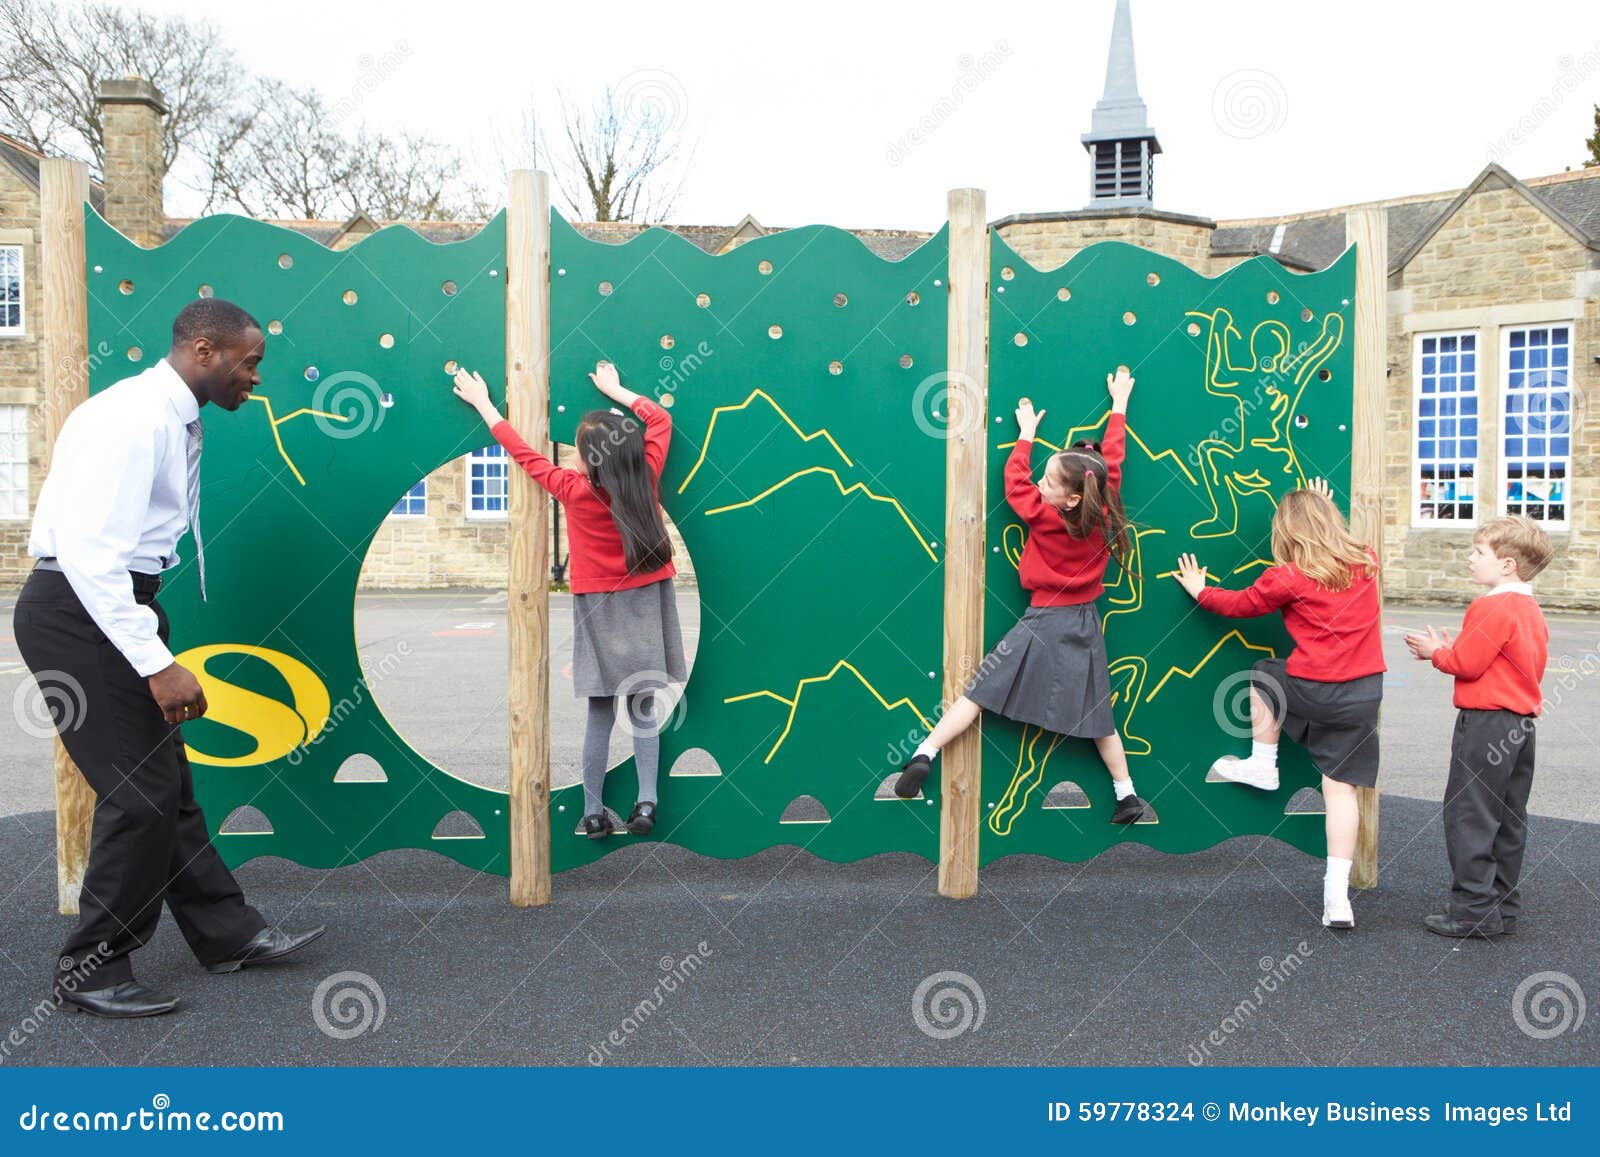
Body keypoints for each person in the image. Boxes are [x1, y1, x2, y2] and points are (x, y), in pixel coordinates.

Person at [14, 298, 325, 1019]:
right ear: (206, 351)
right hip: (80, 610)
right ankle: (91, 969)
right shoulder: (137, 417)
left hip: (115, 605)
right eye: (250, 363)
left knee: (170, 788)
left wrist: (149, 633)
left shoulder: (170, 413)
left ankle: (227, 934)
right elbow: (92, 554)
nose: (256, 378)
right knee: (140, 796)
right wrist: (155, 662)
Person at [894, 367, 1148, 824]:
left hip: (1042, 620)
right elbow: (1112, 459)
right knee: (1099, 715)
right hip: (1083, 624)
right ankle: (1126, 794)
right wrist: (1120, 406)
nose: (1040, 485)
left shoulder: (1043, 515)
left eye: (1048, 482)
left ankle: (924, 753)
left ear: (1069, 500)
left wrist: (1026, 434)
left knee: (977, 692)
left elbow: (1015, 481)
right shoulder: (1103, 507)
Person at [453, 361, 685, 838]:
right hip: (646, 599)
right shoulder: (647, 474)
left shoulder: (574, 491)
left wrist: (484, 405)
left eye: (579, 452)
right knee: (642, 706)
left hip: (598, 608)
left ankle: (594, 812)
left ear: (590, 461)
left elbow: (522, 453)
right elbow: (659, 420)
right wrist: (618, 391)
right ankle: (646, 804)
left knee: (599, 712)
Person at [1173, 481, 1383, 929]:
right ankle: (1337, 900)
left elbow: (1239, 605)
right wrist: (1321, 502)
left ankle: (1262, 762)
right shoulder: (1366, 561)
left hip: (1315, 689)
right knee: (1341, 791)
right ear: (1330, 521)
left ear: (1286, 533)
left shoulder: (1287, 576)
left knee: (1263, 674)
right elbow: (1328, 534)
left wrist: (1199, 590)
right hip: (1363, 695)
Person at [1404, 516, 1552, 939]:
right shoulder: (1530, 608)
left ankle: (1471, 910)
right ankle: (1502, 904)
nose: (1470, 559)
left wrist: (1437, 651)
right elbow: (1504, 663)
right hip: (1520, 726)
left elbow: (1465, 665)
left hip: (1486, 724)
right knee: (1508, 817)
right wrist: (1453, 649)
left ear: (1507, 564)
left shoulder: (1490, 605)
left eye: (1479, 553)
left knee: (1470, 815)